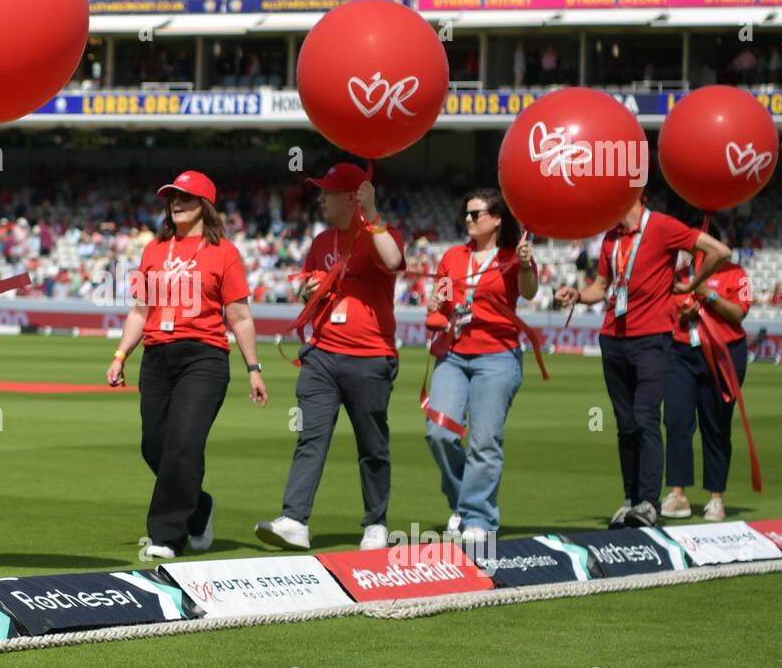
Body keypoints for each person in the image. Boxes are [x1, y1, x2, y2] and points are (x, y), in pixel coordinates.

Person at [107, 170, 269, 560]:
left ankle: (165, 535)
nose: (176, 204)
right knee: (154, 447)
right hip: (158, 356)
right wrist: (120, 354)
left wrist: (254, 368)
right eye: (172, 198)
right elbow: (140, 309)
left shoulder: (224, 253)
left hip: (205, 357)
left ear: (205, 207)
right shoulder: (154, 250)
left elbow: (241, 316)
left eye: (186, 198)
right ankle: (199, 506)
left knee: (183, 444)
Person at [256, 163, 405, 552]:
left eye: (328, 192)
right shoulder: (321, 241)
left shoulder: (378, 234)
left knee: (372, 444)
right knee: (310, 436)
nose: (320, 198)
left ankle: (375, 523)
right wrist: (308, 292)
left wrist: (372, 214)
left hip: (370, 356)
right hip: (322, 354)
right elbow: (310, 288)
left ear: (352, 197)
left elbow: (392, 262)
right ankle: (294, 520)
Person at [557, 198, 730, 528]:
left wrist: (693, 285)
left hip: (651, 338)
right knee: (625, 424)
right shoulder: (611, 237)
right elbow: (601, 287)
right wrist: (578, 295)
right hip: (612, 337)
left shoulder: (663, 226)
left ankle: (649, 503)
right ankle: (631, 500)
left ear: (632, 193)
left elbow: (720, 251)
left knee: (645, 417)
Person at [424, 188, 538, 541]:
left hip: (497, 356)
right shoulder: (453, 256)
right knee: (439, 433)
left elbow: (530, 291)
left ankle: (480, 520)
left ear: (497, 218)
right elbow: (439, 304)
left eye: (476, 214)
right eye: (467, 214)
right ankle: (464, 502)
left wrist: (523, 264)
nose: (469, 220)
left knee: (484, 442)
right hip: (454, 353)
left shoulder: (512, 255)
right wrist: (433, 301)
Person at [661, 224, 752, 522]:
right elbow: (666, 310)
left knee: (716, 426)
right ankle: (678, 494)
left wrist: (706, 296)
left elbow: (738, 313)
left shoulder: (736, 273)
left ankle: (716, 497)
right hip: (682, 352)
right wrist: (684, 313)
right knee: (676, 420)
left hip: (724, 353)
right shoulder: (680, 274)